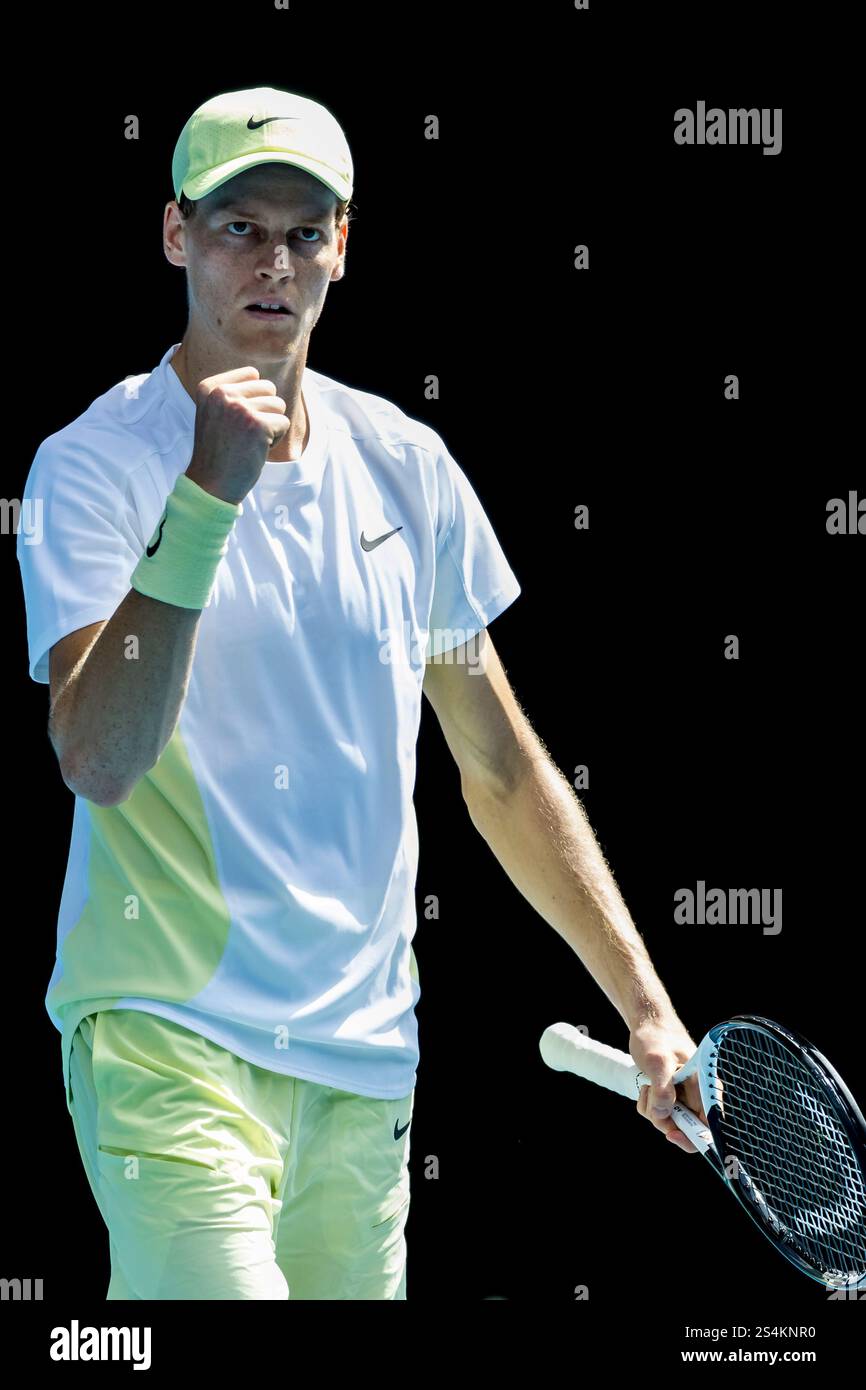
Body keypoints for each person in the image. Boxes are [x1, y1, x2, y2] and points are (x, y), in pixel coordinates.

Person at [17, 86, 706, 1301]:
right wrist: (204, 501)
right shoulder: (91, 466)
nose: (273, 263)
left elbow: (500, 768)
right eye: (238, 227)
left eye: (304, 231)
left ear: (343, 244)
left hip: (366, 1067)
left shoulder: (406, 465)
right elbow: (99, 757)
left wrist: (646, 1007)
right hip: (169, 1042)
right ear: (175, 233)